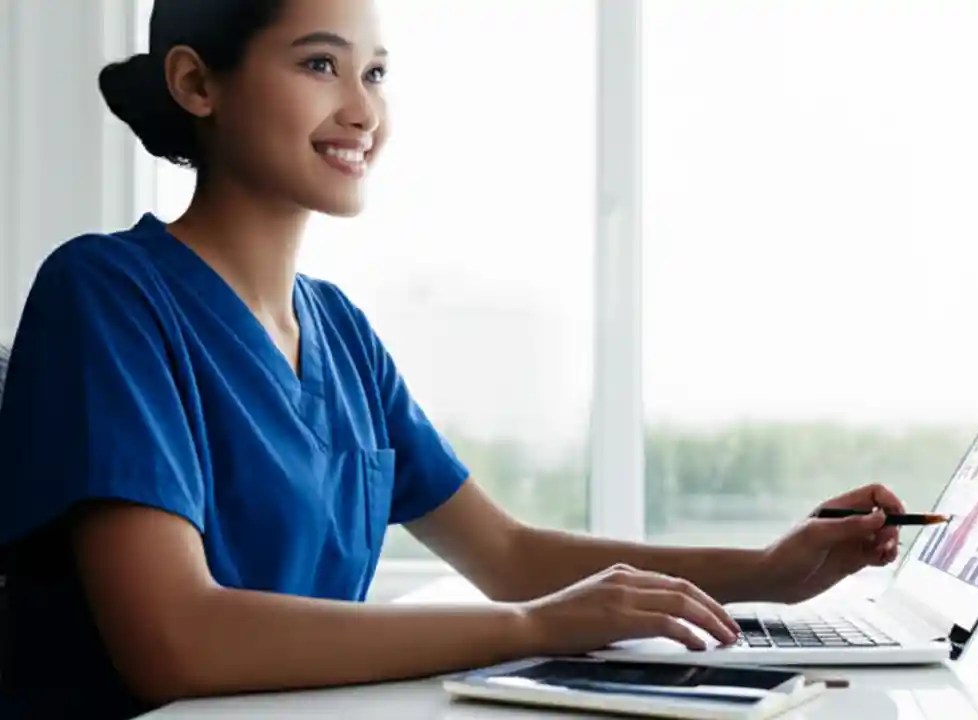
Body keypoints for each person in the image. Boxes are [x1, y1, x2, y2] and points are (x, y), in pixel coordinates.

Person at [0, 0, 903, 716]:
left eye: (377, 74)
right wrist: (531, 628)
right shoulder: (107, 294)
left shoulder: (340, 332)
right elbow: (176, 641)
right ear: (198, 83)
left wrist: (773, 570)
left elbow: (506, 550)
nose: (363, 110)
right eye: (320, 65)